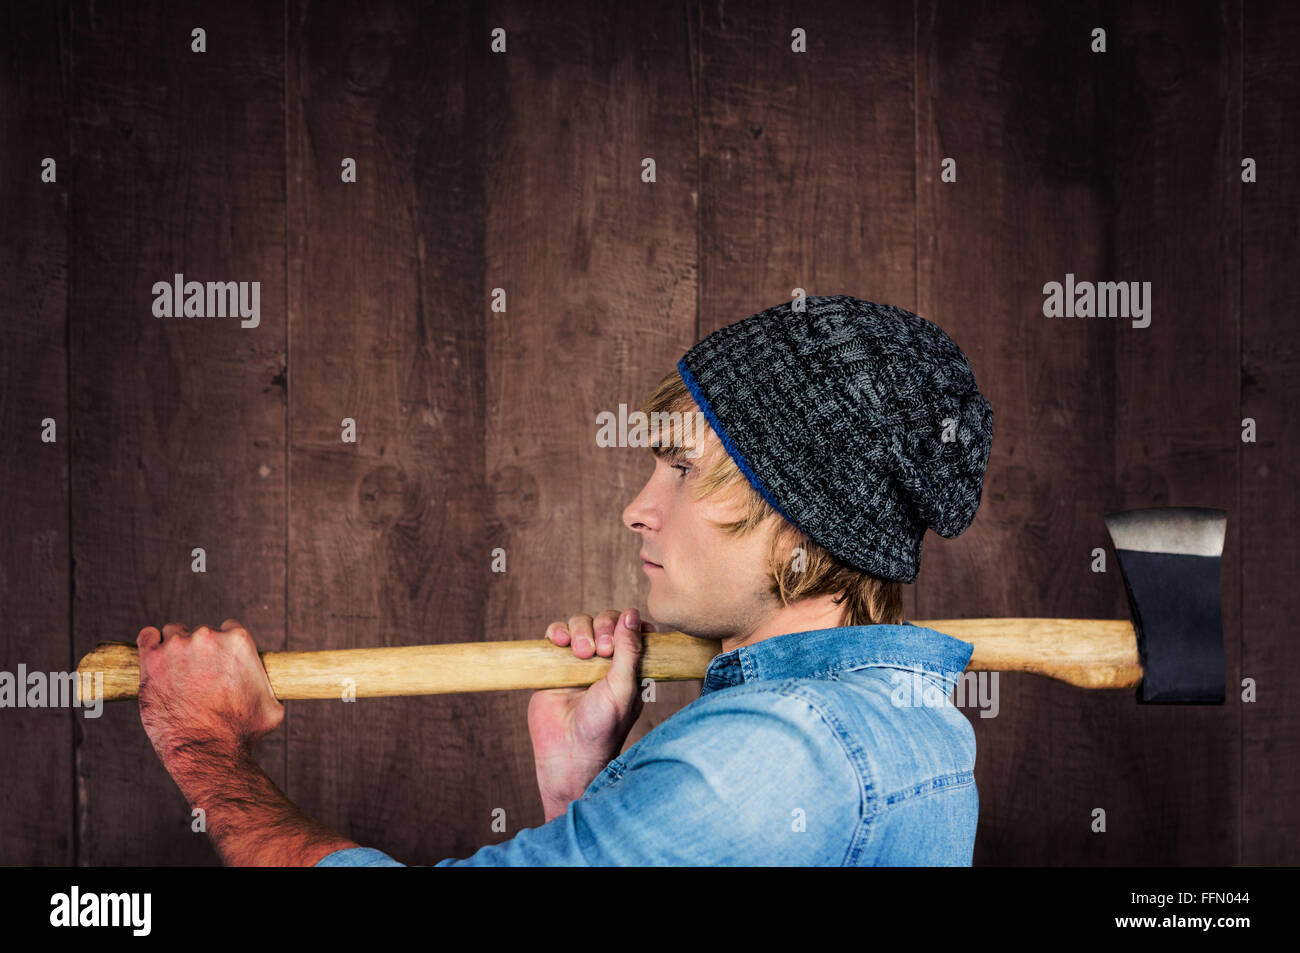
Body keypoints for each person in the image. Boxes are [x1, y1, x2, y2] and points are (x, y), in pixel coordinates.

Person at [135, 294, 994, 866]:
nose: (637, 509)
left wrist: (208, 752)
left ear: (802, 519)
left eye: (683, 470)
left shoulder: (779, 753)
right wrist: (584, 790)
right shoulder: (911, 722)